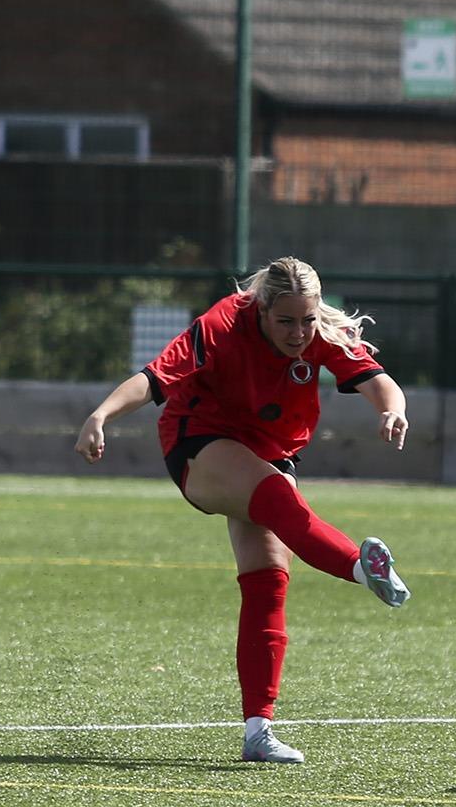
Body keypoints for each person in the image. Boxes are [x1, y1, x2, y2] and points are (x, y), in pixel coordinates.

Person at [74, 256, 413, 764]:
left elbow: (375, 379)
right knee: (279, 498)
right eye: (286, 321)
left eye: (307, 319)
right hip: (200, 441)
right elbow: (153, 378)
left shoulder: (318, 328)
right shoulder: (223, 324)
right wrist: (100, 415)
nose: (299, 332)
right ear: (260, 309)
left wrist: (393, 409)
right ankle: (361, 569)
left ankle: (259, 732)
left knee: (268, 583)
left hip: (271, 451)